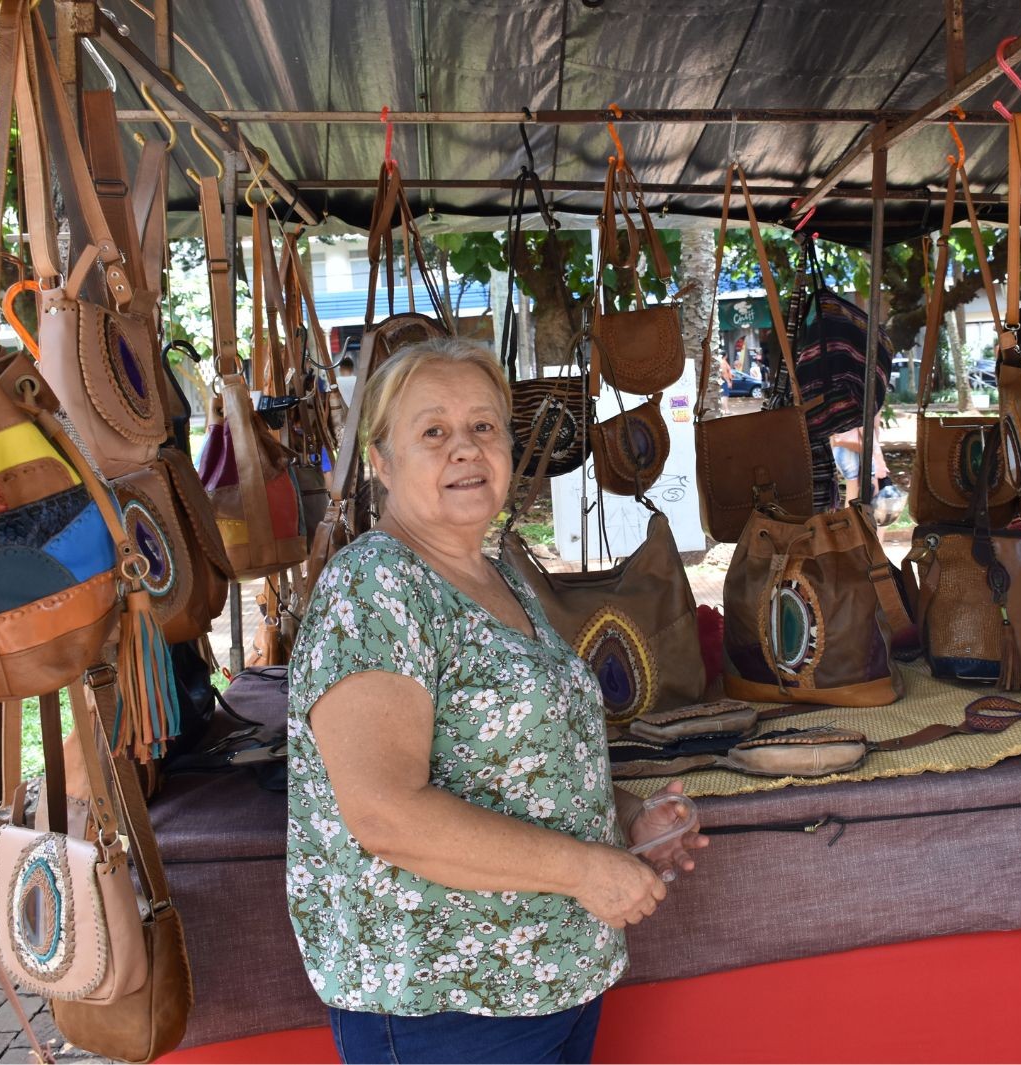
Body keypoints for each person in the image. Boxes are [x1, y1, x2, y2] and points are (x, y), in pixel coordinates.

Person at [287, 336, 708, 1065]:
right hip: (447, 1004)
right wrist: (586, 870)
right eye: (433, 431)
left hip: (544, 983)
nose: (465, 448)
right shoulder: (377, 587)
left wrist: (628, 814)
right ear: (381, 461)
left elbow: (518, 765)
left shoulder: (494, 574)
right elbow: (386, 813)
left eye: (484, 427)